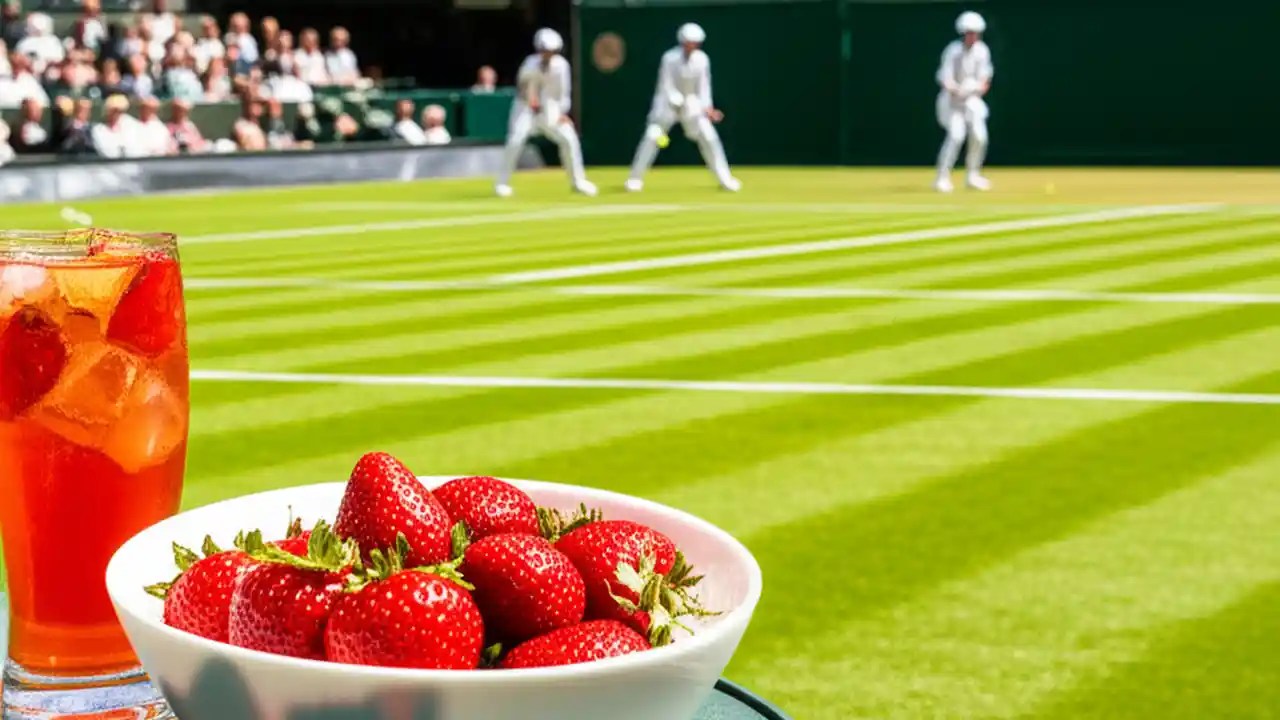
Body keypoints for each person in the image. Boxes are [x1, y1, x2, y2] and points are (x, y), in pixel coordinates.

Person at [625, 23, 739, 193]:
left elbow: (703, 87)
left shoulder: (702, 59)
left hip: (692, 107)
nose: (692, 45)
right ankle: (634, 179)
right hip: (666, 106)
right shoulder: (669, 58)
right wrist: (676, 102)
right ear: (682, 41)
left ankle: (725, 179)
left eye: (695, 42)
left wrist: (708, 108)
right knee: (652, 138)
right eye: (689, 41)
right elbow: (666, 85)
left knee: (709, 137)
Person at [495, 28, 596, 198]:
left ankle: (577, 182)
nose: (548, 54)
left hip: (551, 110)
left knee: (569, 139)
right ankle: (502, 183)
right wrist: (532, 99)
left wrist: (563, 112)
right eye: (545, 50)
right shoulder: (529, 64)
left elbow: (563, 92)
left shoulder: (562, 66)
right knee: (515, 140)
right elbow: (523, 87)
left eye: (551, 51)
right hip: (525, 109)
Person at [934, 11, 993, 192]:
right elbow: (945, 78)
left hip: (971, 102)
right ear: (962, 33)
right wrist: (956, 89)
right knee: (956, 136)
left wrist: (973, 89)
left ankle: (973, 176)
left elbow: (985, 81)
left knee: (980, 137)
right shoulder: (952, 51)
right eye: (969, 32)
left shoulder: (983, 51)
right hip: (951, 103)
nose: (972, 36)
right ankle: (942, 178)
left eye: (975, 32)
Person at [92, 94, 142, 158]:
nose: (117, 114)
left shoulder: (131, 124)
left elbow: (137, 150)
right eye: (114, 110)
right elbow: (108, 153)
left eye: (120, 111)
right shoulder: (98, 129)